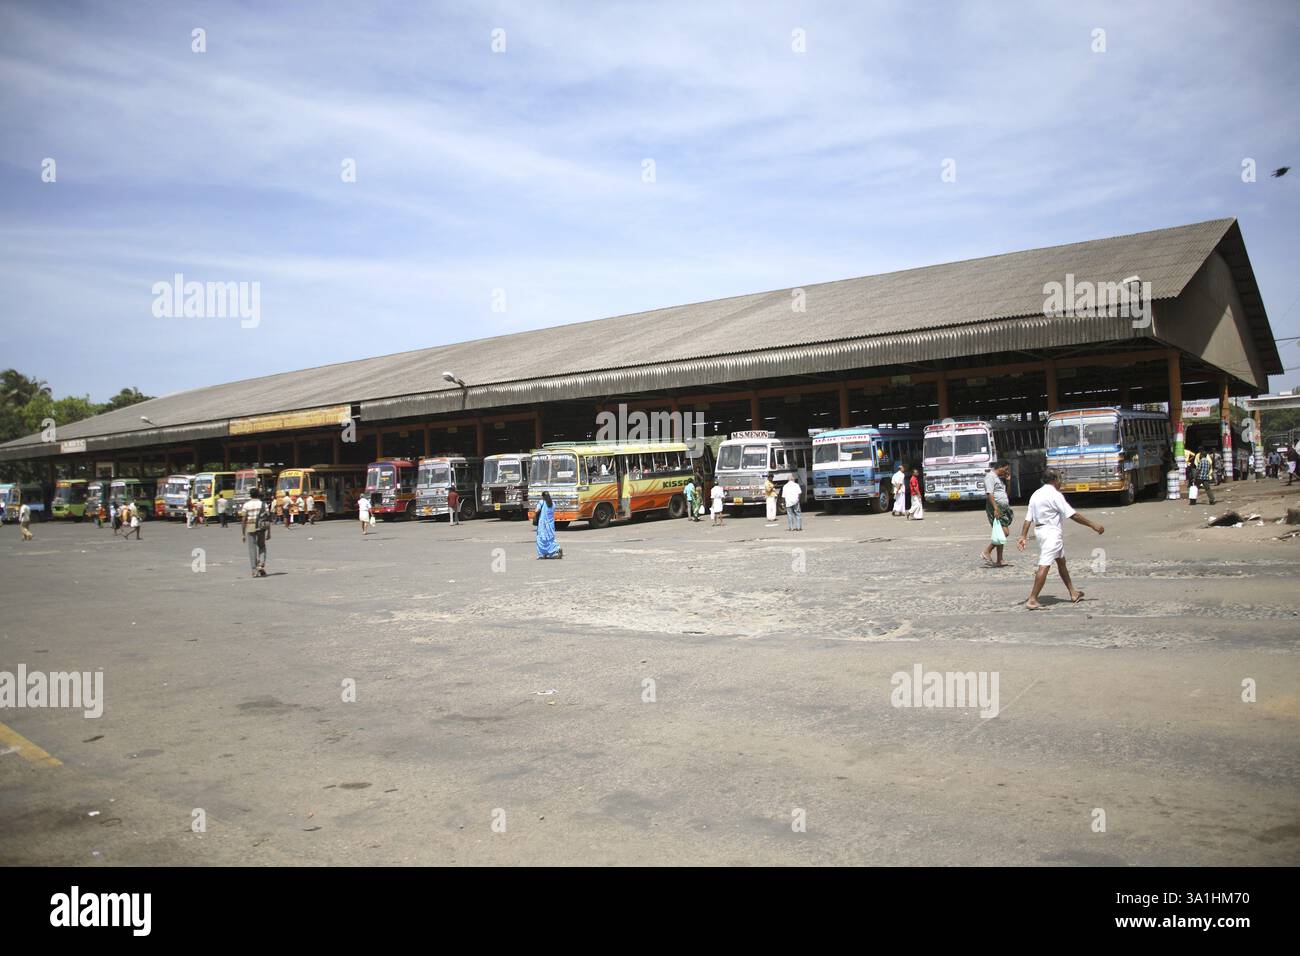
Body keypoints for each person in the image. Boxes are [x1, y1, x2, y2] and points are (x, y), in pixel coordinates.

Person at [1017, 470, 1103, 609]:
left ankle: (1073, 592)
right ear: (1055, 480)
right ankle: (1032, 599)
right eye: (1060, 478)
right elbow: (1073, 515)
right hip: (1051, 533)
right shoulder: (1055, 495)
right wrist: (1093, 525)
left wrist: (1023, 536)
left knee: (1061, 561)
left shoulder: (1036, 494)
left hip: (1040, 532)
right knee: (1044, 565)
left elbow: (1028, 518)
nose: (1061, 481)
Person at [981, 460, 1013, 567]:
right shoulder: (990, 477)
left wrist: (1008, 482)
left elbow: (1006, 494)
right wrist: (995, 508)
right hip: (995, 508)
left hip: (1003, 509)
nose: (1006, 471)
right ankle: (987, 551)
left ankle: (1000, 559)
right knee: (1005, 532)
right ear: (1000, 467)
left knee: (1000, 532)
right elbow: (989, 493)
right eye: (1006, 469)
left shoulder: (999, 479)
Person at [241, 488, 270, 577]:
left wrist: (243, 533)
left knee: (252, 548)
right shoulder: (264, 504)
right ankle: (261, 565)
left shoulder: (246, 505)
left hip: (250, 527)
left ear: (250, 495)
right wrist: (269, 532)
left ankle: (254, 570)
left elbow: (243, 519)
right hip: (261, 527)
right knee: (262, 546)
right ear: (258, 494)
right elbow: (267, 518)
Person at [534, 490, 563, 559]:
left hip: (543, 525)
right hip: (550, 525)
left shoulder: (541, 502)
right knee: (550, 539)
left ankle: (542, 554)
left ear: (543, 497)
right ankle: (556, 549)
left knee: (541, 539)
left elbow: (536, 510)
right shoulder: (553, 504)